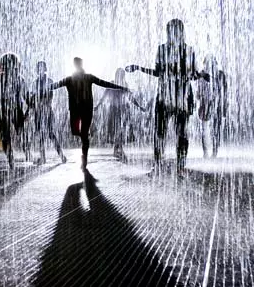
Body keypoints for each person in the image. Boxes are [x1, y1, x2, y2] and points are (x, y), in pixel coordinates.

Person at [126, 19, 209, 176]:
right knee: (163, 133)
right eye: (170, 30)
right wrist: (138, 68)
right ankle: (162, 165)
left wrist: (202, 75)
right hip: (169, 98)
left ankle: (177, 167)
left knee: (177, 134)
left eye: (174, 30)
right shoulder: (164, 49)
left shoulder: (186, 50)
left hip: (179, 98)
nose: (172, 33)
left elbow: (191, 75)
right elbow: (160, 73)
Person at [50, 57, 128, 170]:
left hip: (86, 109)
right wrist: (40, 90)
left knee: (83, 135)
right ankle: (86, 135)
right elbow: (55, 86)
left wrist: (122, 88)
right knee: (76, 131)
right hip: (76, 110)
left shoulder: (88, 77)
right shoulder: (69, 79)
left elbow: (104, 83)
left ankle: (84, 158)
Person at [95, 68, 145, 163]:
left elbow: (130, 98)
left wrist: (139, 106)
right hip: (114, 109)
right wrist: (98, 105)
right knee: (115, 129)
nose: (122, 76)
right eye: (121, 74)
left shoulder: (124, 85)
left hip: (122, 109)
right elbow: (105, 96)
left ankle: (118, 148)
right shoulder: (112, 83)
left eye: (123, 75)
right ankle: (118, 148)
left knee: (120, 129)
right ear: (117, 75)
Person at [30, 61, 67, 165]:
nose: (40, 69)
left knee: (50, 134)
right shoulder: (35, 82)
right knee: (40, 135)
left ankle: (61, 155)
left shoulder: (49, 81)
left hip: (46, 110)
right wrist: (33, 108)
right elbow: (33, 98)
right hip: (39, 111)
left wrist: (42, 103)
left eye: (42, 67)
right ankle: (43, 158)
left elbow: (50, 96)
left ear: (45, 69)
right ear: (37, 70)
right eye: (39, 67)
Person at [197, 55, 227, 158]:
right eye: (208, 63)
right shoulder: (202, 74)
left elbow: (225, 92)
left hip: (216, 104)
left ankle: (214, 152)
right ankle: (205, 152)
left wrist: (224, 107)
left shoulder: (220, 74)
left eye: (212, 62)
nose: (210, 65)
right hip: (205, 104)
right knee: (205, 129)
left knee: (215, 129)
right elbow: (199, 91)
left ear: (216, 64)